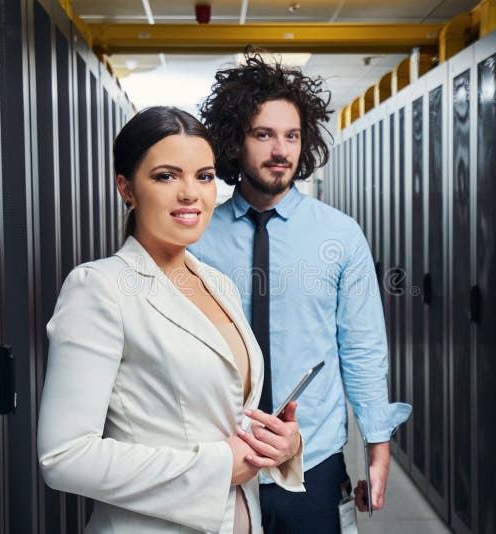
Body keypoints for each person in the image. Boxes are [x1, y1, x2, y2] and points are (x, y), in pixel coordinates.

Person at [37, 106, 304, 534]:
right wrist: (219, 466)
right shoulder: (99, 288)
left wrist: (280, 446)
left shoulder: (219, 284)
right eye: (166, 176)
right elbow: (64, 457)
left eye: (203, 176)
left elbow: (224, 415)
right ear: (127, 188)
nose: (190, 194)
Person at [190, 54, 411, 532]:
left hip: (313, 463)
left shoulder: (341, 235)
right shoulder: (198, 239)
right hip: (218, 461)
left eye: (291, 136)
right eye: (263, 134)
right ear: (235, 140)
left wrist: (378, 444)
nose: (280, 150)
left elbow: (363, 347)